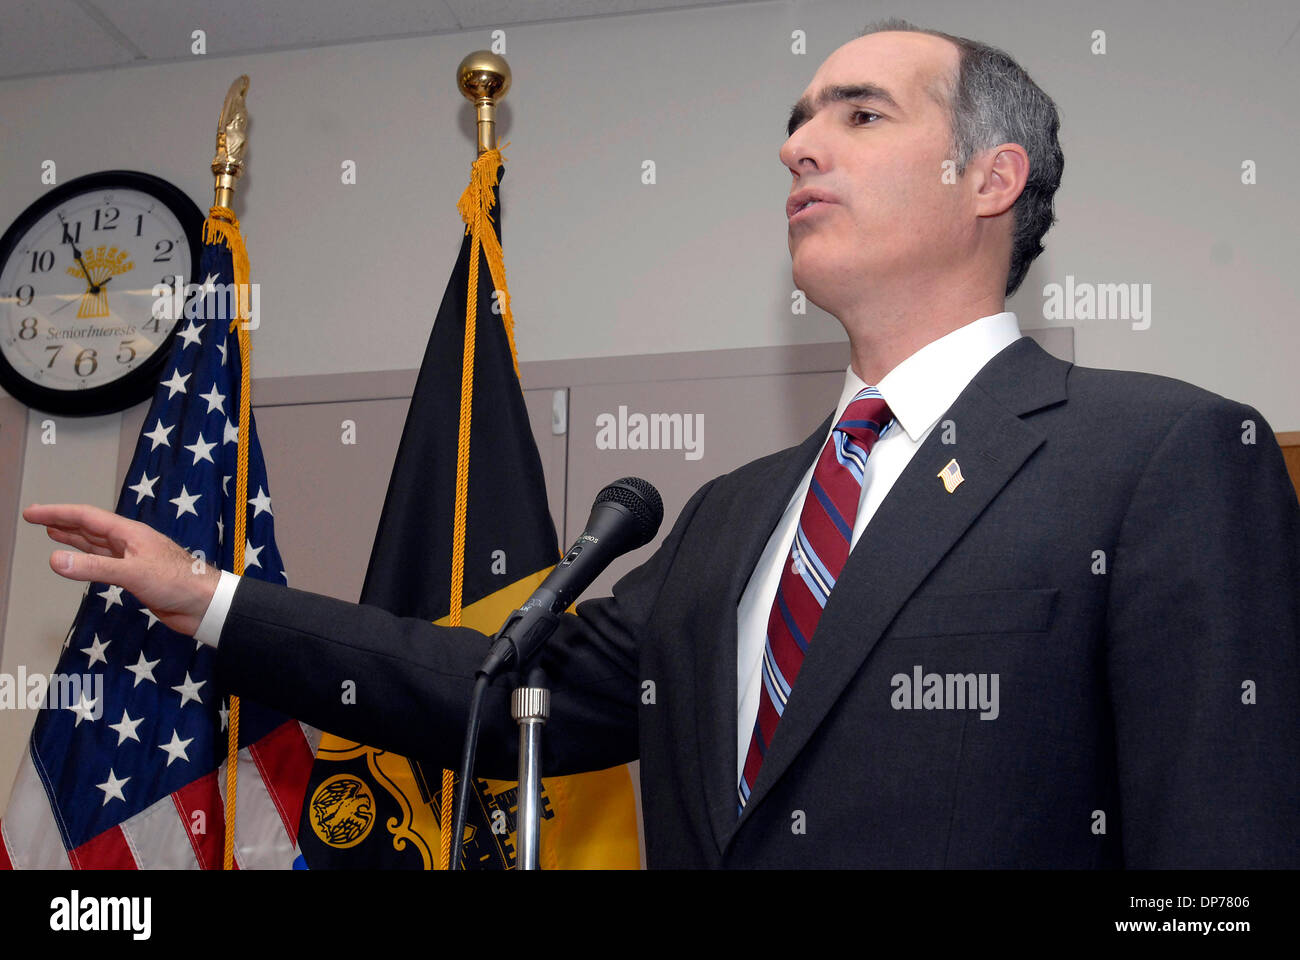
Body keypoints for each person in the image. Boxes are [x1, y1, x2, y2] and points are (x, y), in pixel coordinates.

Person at [23, 21, 1299, 868]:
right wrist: (207, 600)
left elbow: (1223, 866)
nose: (798, 145)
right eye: (799, 120)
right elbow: (488, 680)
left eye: (858, 116)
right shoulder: (733, 519)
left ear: (990, 178)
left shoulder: (1164, 454)